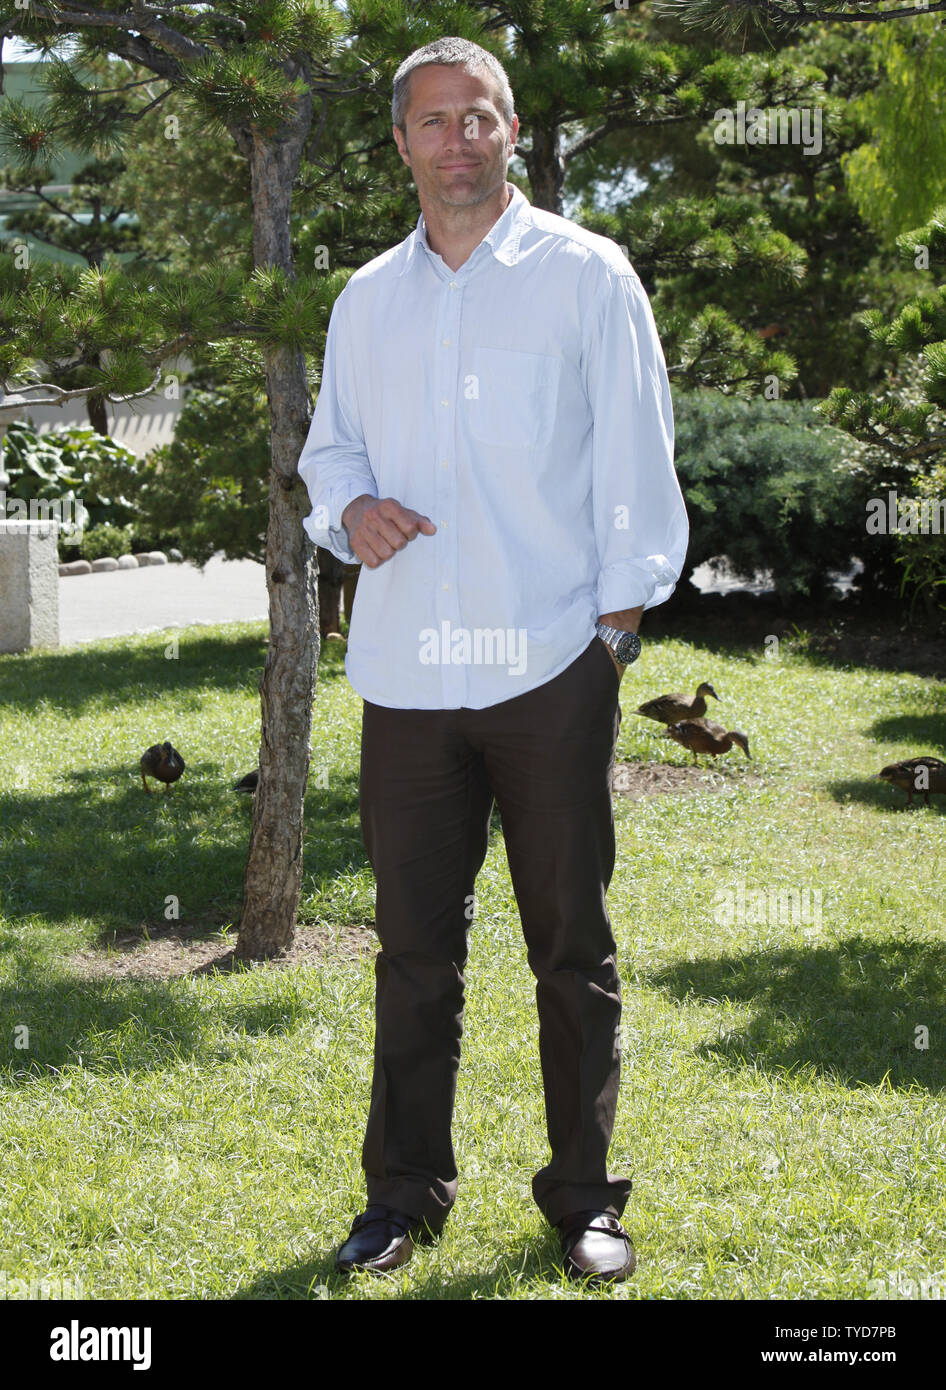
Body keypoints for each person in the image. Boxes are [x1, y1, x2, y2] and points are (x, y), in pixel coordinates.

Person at [297, 35, 688, 1287]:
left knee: (570, 950)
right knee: (415, 957)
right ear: (400, 143)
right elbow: (329, 454)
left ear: (510, 132)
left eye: (480, 118)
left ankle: (585, 1199)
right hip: (406, 681)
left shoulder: (587, 277)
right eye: (433, 121)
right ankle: (402, 1196)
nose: (457, 141)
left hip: (547, 666)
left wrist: (614, 630)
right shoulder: (366, 299)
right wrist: (347, 510)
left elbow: (636, 454)